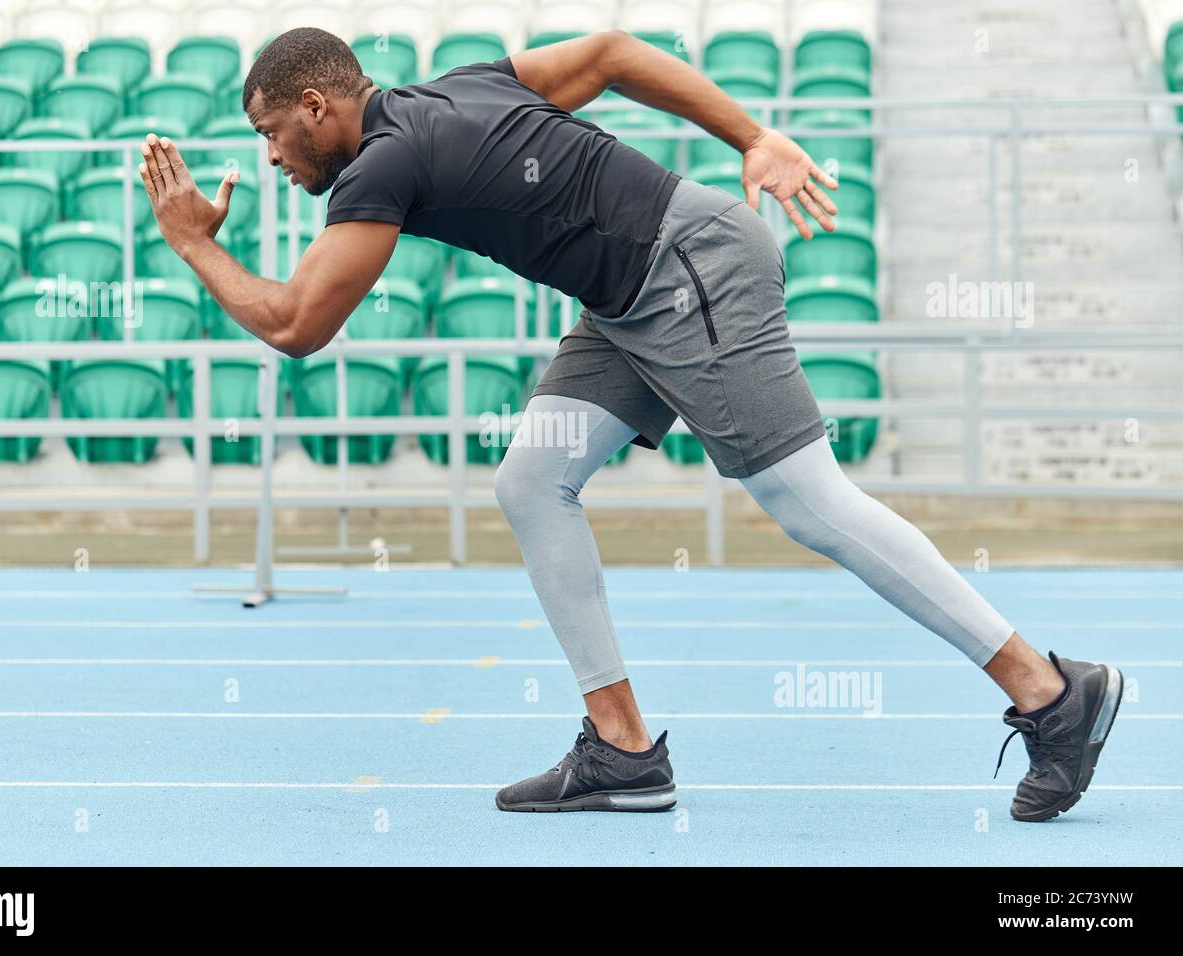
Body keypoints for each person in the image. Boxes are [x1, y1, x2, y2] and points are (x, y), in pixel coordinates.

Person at [139, 27, 1124, 820]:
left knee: (805, 498)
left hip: (687, 266)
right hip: (627, 297)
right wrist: (749, 139)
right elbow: (609, 53)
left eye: (273, 132)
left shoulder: (379, 166)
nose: (269, 157)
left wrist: (190, 243)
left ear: (319, 105)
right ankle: (620, 748)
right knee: (532, 478)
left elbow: (296, 324)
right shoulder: (463, 84)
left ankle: (1047, 689)